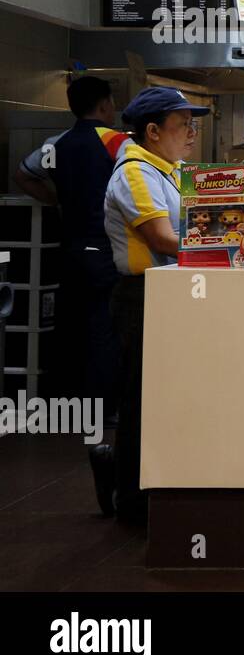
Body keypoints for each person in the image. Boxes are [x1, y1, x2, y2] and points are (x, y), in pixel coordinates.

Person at [13, 76, 132, 515]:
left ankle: (72, 404)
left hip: (71, 248)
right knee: (108, 328)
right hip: (108, 247)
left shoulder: (56, 143)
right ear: (105, 103)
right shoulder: (117, 142)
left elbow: (23, 175)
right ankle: (109, 411)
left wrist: (57, 200)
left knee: (77, 325)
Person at [102, 86, 209, 525]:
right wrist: (222, 237)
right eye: (183, 124)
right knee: (142, 401)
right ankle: (131, 503)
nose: (190, 132)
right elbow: (162, 239)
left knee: (162, 398)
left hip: (170, 293)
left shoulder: (168, 168)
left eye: (191, 123)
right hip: (142, 296)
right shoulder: (135, 172)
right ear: (152, 131)